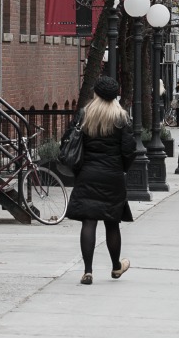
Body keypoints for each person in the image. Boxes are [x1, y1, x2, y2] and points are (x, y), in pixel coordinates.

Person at [66, 76, 137, 285]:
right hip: (112, 176)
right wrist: (122, 169)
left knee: (89, 221)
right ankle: (116, 267)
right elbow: (129, 149)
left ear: (95, 93)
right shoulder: (121, 118)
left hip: (88, 174)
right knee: (112, 223)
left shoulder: (85, 115)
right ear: (115, 95)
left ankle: (88, 271)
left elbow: (71, 141)